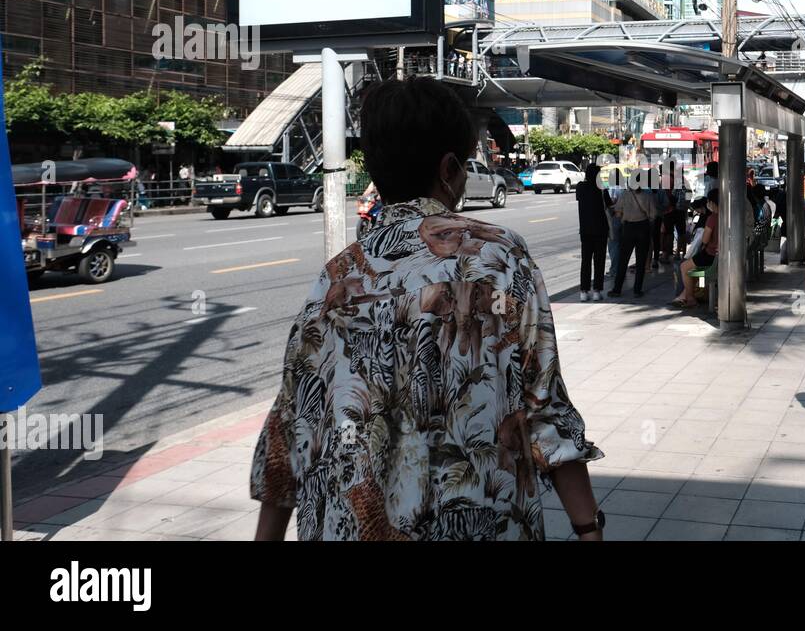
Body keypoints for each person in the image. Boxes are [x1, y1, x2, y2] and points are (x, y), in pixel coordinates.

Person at [251, 76, 603, 541]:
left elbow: (292, 426)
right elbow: (544, 407)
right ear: (450, 167)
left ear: (376, 170)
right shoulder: (499, 257)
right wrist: (588, 527)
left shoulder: (337, 276)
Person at [609, 173, 657, 298]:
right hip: (643, 228)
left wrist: (625, 216)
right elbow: (653, 215)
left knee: (623, 260)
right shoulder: (648, 195)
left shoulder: (625, 195)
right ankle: (637, 290)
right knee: (641, 261)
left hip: (628, 229)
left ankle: (617, 289)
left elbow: (618, 213)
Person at [672, 189, 720, 309]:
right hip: (719, 256)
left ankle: (690, 298)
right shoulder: (728, 216)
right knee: (693, 269)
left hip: (710, 255)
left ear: (712, 203)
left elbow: (704, 240)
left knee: (684, 267)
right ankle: (696, 295)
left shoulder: (712, 218)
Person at [575, 163, 612, 302]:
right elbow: (609, 205)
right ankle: (597, 290)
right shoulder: (602, 189)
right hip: (601, 230)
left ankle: (584, 291)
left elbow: (580, 199)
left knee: (585, 261)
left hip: (585, 230)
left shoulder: (580, 187)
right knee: (599, 261)